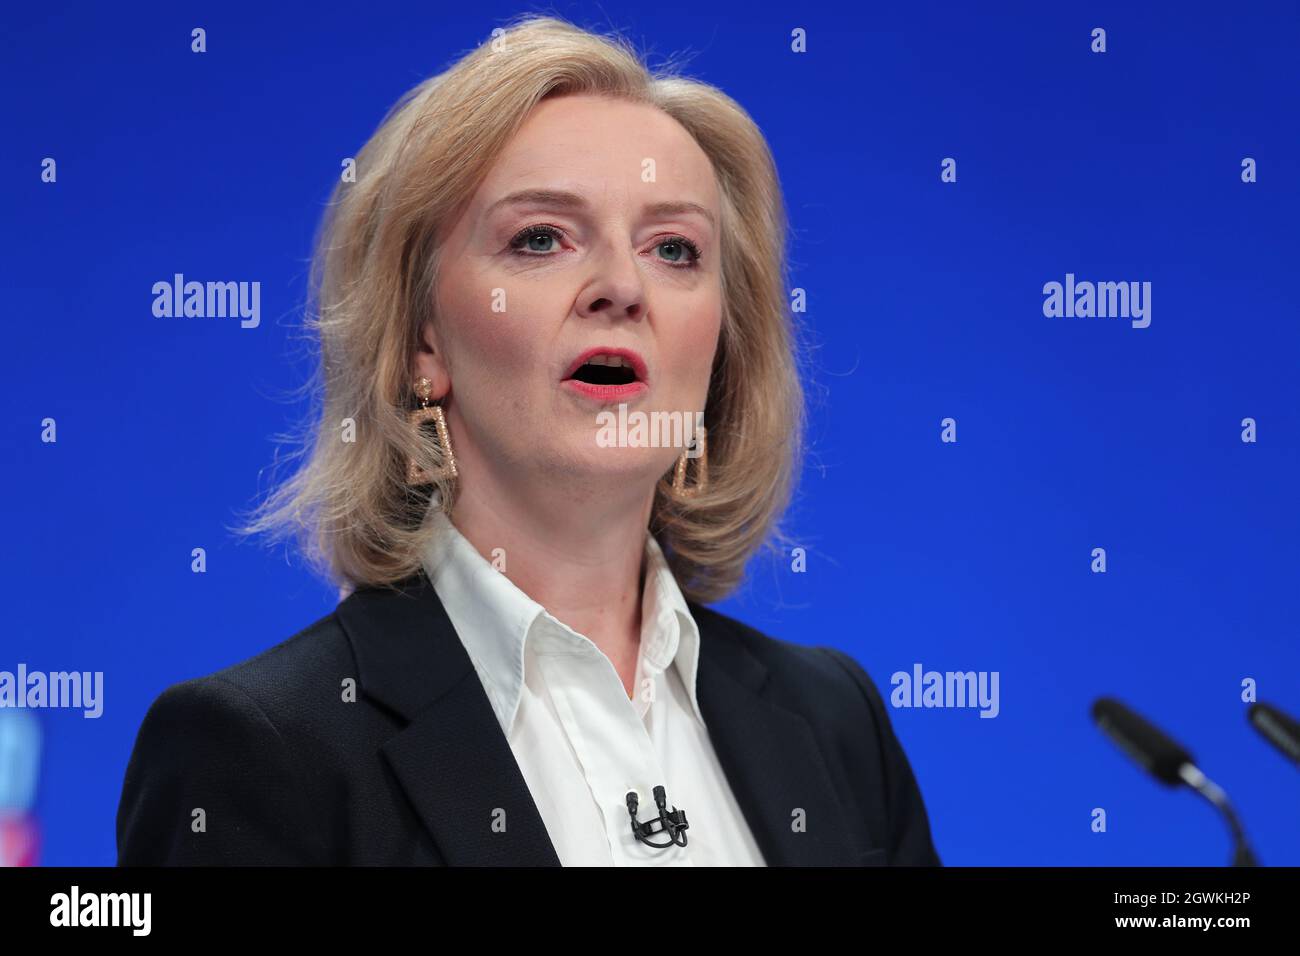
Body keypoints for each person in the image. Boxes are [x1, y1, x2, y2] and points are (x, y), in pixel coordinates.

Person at [115, 13, 941, 867]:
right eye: (541, 238)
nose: (621, 286)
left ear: (726, 342)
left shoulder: (836, 723)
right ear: (421, 340)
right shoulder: (260, 751)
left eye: (674, 248)